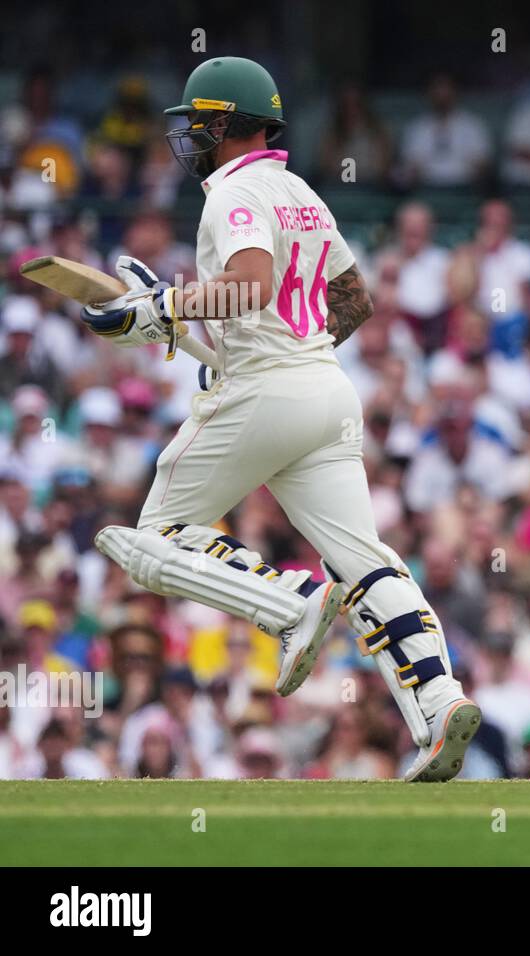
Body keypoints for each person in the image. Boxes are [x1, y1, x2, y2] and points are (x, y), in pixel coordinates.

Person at [77, 57, 479, 783]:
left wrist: (162, 308)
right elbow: (352, 300)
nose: (191, 136)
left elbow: (251, 285)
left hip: (266, 391)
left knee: (149, 538)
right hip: (325, 388)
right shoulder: (301, 192)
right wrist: (202, 340)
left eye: (199, 123)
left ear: (227, 125)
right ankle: (440, 701)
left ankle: (289, 602)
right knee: (364, 558)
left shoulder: (231, 192)